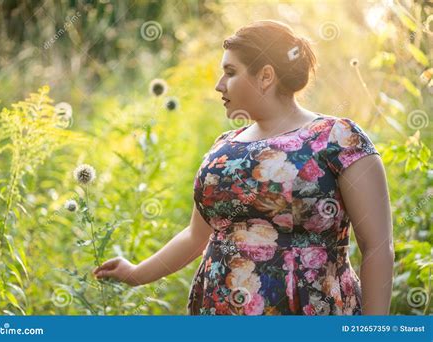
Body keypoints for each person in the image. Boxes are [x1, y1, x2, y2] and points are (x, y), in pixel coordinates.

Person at [93, 20, 394, 315]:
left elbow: (377, 246)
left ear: (265, 76)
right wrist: (136, 274)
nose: (218, 85)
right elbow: (196, 236)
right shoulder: (225, 147)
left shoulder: (338, 138)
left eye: (230, 72)